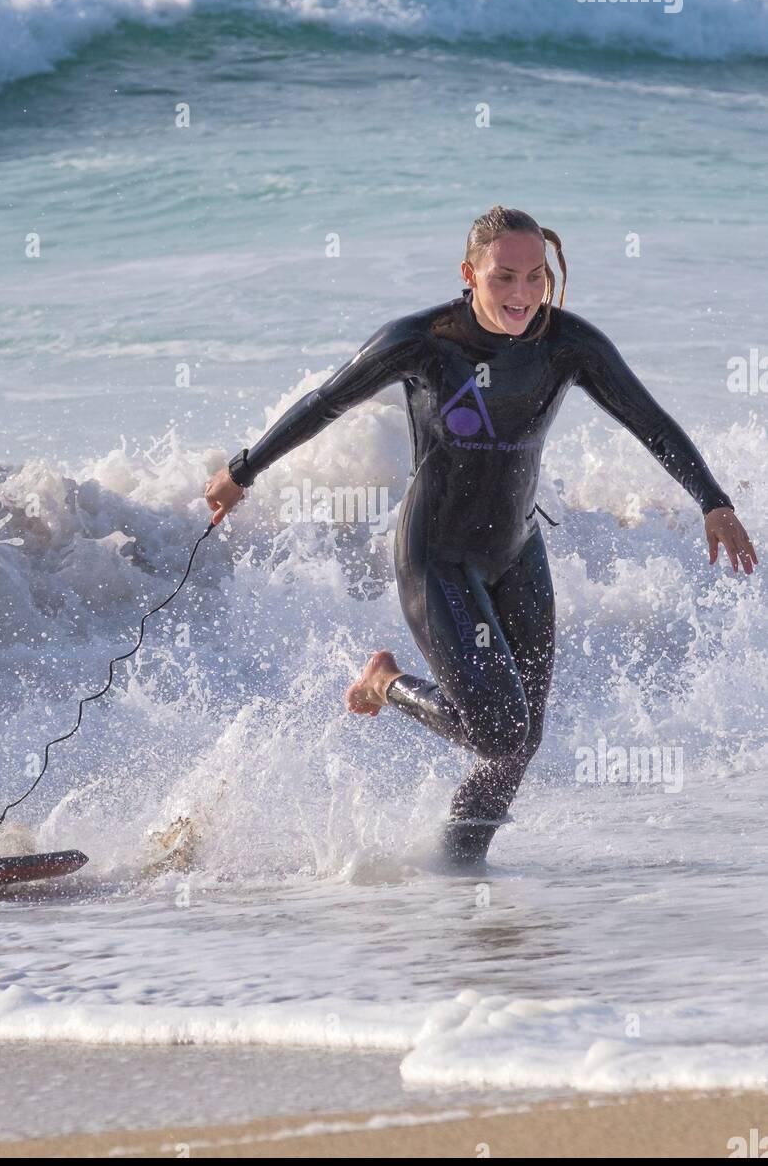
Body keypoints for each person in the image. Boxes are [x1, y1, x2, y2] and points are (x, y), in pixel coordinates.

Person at [204, 206, 757, 867]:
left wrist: (712, 502)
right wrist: (242, 471)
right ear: (469, 274)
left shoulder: (568, 346)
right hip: (436, 554)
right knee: (499, 729)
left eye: (534, 278)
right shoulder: (420, 341)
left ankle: (460, 870)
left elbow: (651, 423)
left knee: (521, 740)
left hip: (518, 548)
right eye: (503, 278)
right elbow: (325, 402)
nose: (521, 295)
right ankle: (386, 683)